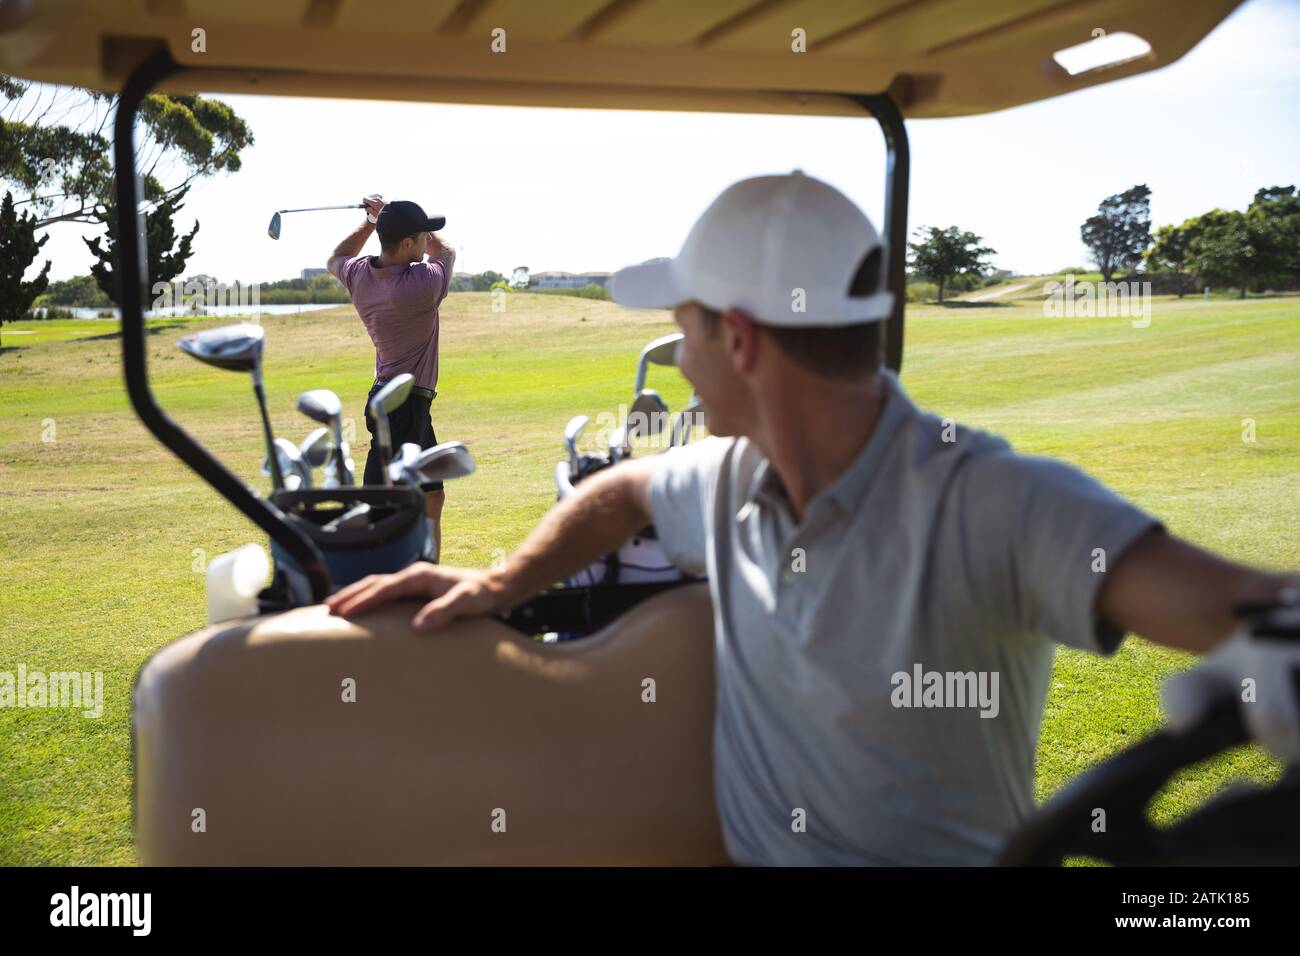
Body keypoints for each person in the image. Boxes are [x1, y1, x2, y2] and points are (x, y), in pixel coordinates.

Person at [324, 171, 1300, 865]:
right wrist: (495, 583)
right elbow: (617, 495)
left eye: (687, 329)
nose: (680, 356)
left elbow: (1249, 607)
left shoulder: (988, 499)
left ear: (740, 341)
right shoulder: (722, 477)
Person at [326, 196, 455, 560]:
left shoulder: (360, 275)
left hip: (396, 401)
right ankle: (374, 574)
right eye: (422, 234)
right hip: (403, 406)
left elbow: (335, 258)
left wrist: (371, 222)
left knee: (432, 495)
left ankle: (426, 571)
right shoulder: (422, 284)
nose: (428, 240)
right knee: (383, 508)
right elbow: (446, 252)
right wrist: (383, 216)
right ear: (408, 243)